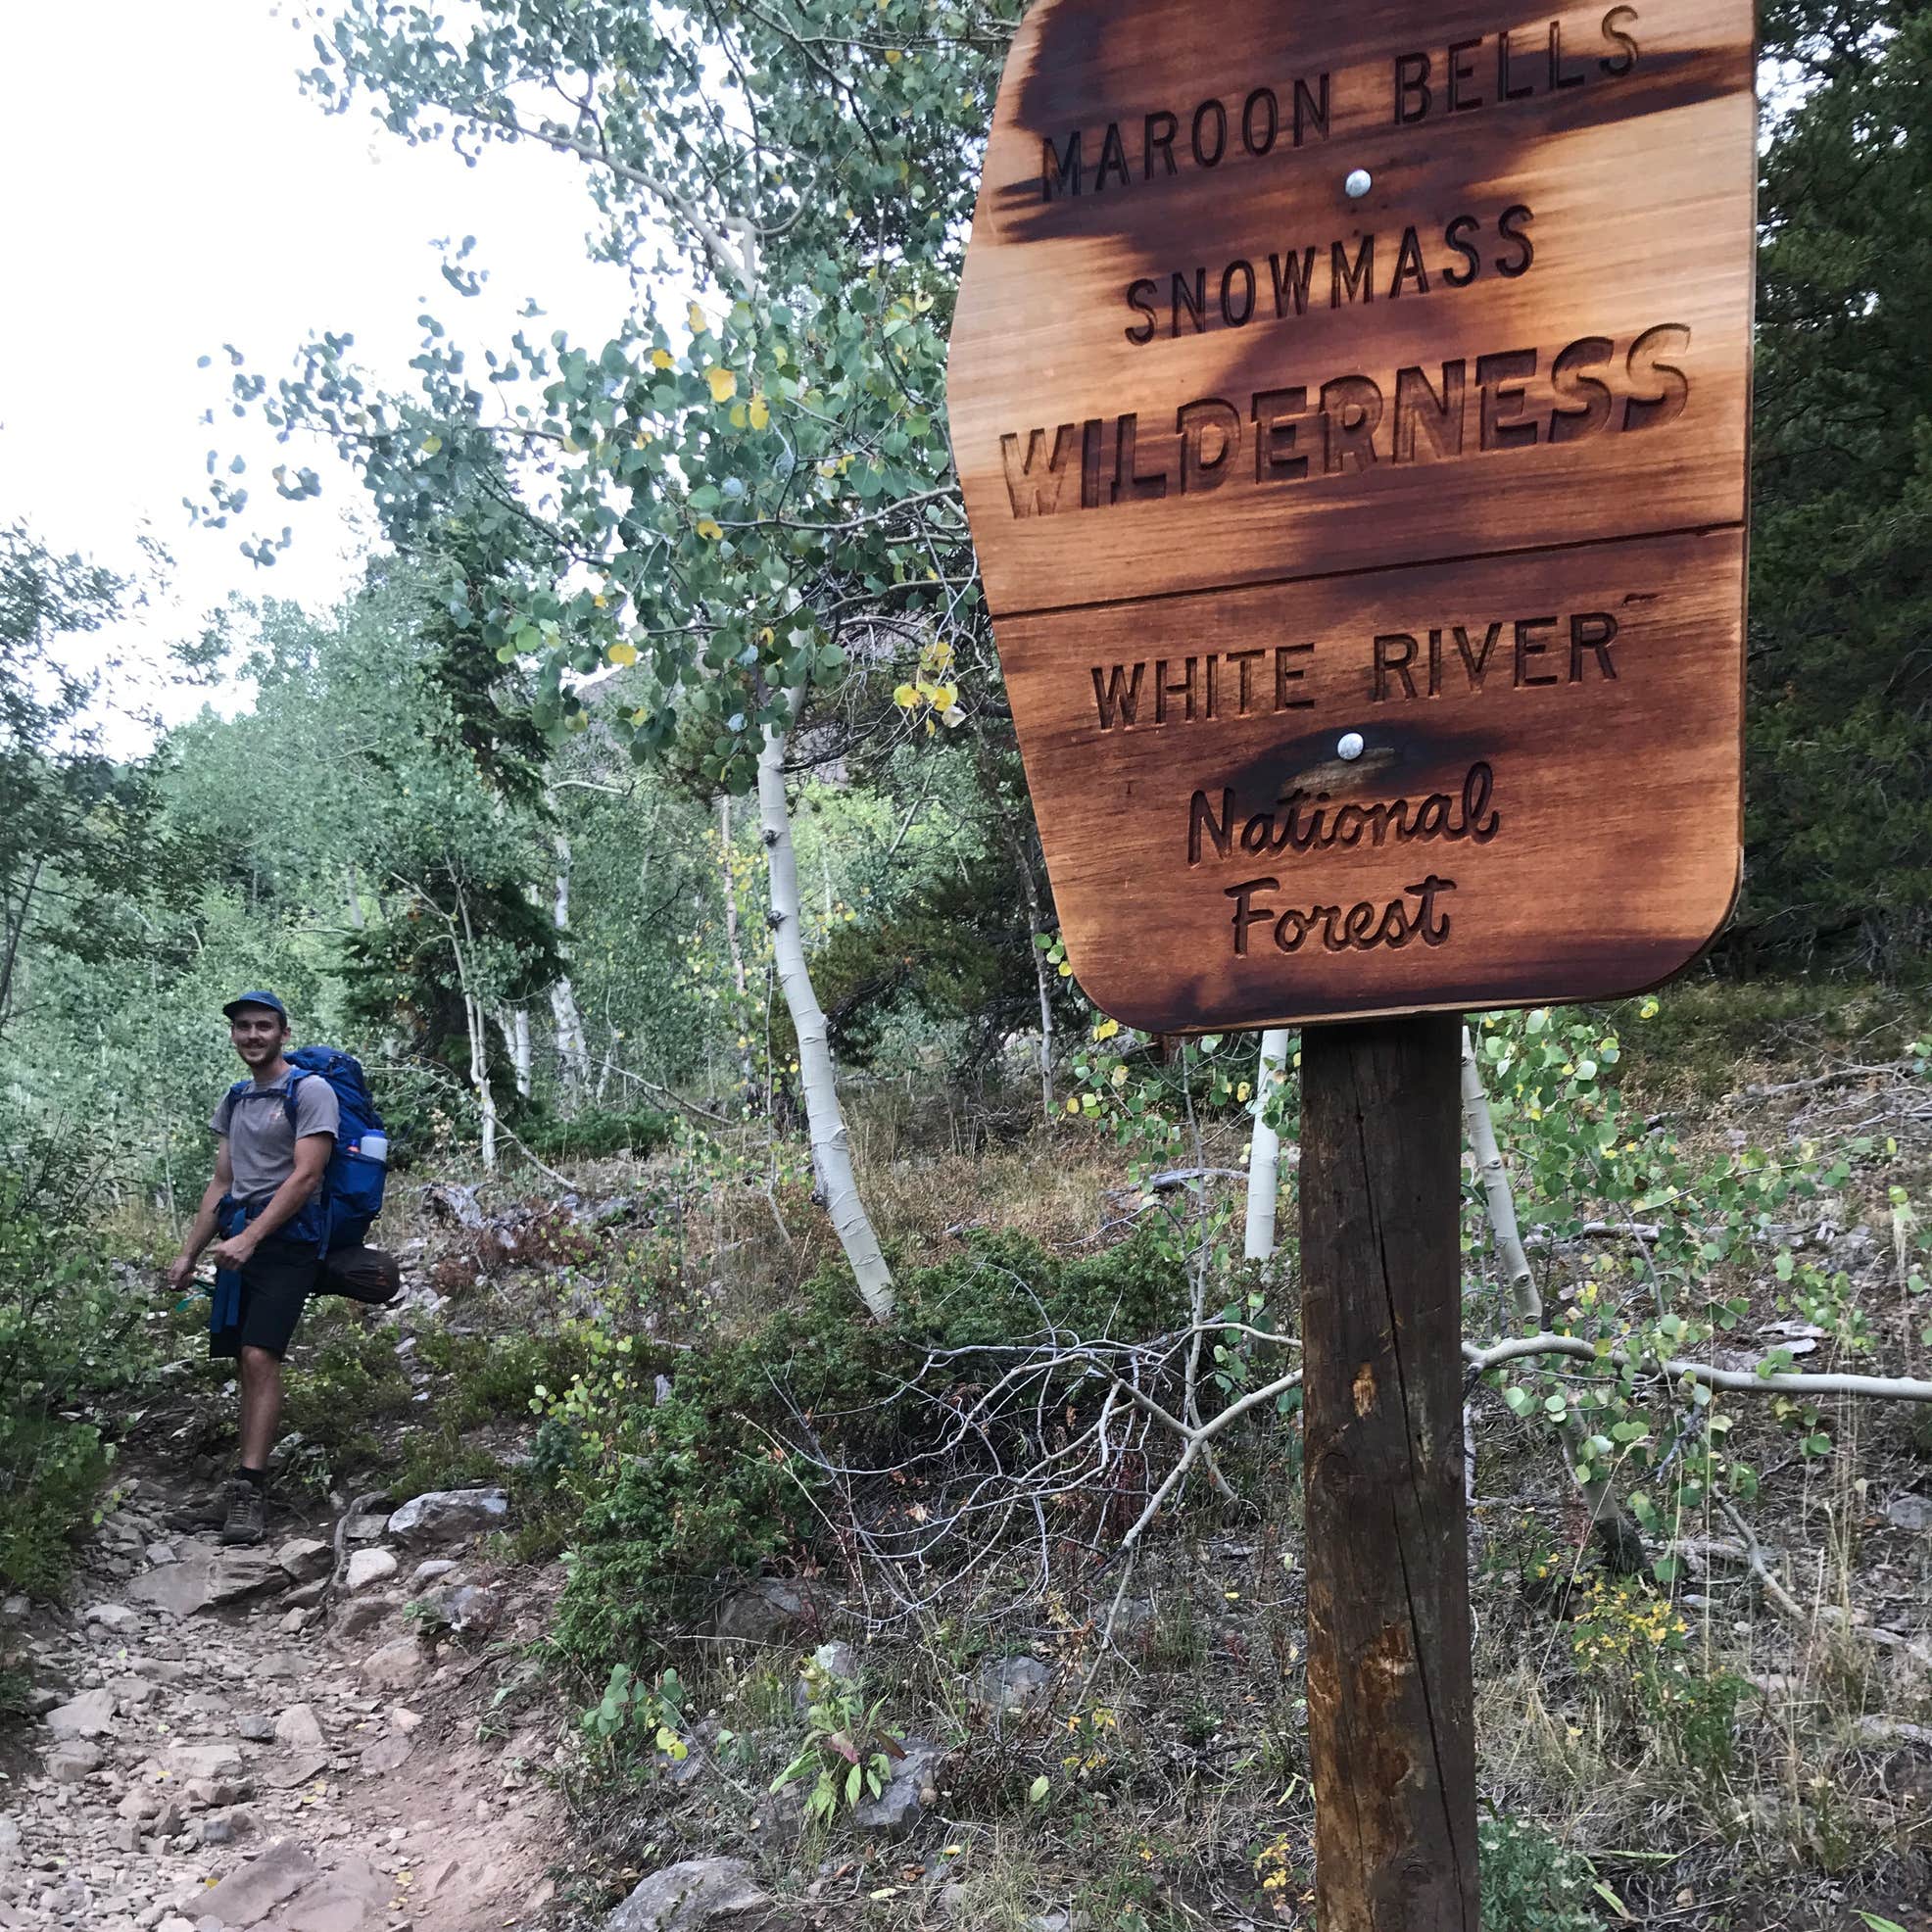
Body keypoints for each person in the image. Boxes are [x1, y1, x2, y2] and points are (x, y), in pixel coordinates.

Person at [166, 991, 340, 1546]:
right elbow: (222, 1182)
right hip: (240, 1242)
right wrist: (190, 1252)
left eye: (263, 1026)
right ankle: (242, 1481)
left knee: (261, 1355)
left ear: (284, 1033)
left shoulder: (311, 1091)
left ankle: (252, 1491)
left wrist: (250, 1236)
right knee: (245, 1360)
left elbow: (306, 1176)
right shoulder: (237, 1098)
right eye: (243, 1027)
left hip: (289, 1242)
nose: (252, 1036)